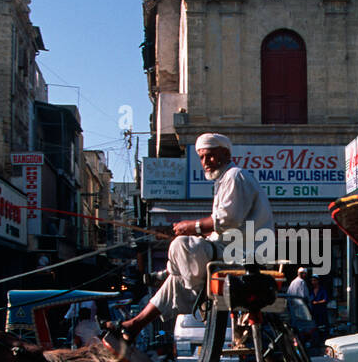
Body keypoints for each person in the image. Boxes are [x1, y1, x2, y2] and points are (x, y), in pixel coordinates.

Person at [117, 133, 274, 341]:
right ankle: (135, 324)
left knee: (181, 245)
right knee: (175, 279)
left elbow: (228, 220)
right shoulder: (224, 180)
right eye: (201, 157)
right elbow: (225, 228)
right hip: (228, 250)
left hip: (245, 256)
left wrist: (192, 227)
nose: (205, 162)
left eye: (210, 156)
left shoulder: (235, 176)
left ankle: (198, 293)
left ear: (225, 154)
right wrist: (195, 231)